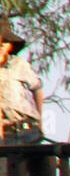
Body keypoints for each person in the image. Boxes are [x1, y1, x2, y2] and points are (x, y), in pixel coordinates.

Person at [0, 16, 42, 145]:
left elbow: (37, 89)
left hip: (28, 130)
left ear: (10, 46)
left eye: (5, 42)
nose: (1, 45)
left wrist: (40, 121)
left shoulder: (19, 64)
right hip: (5, 135)